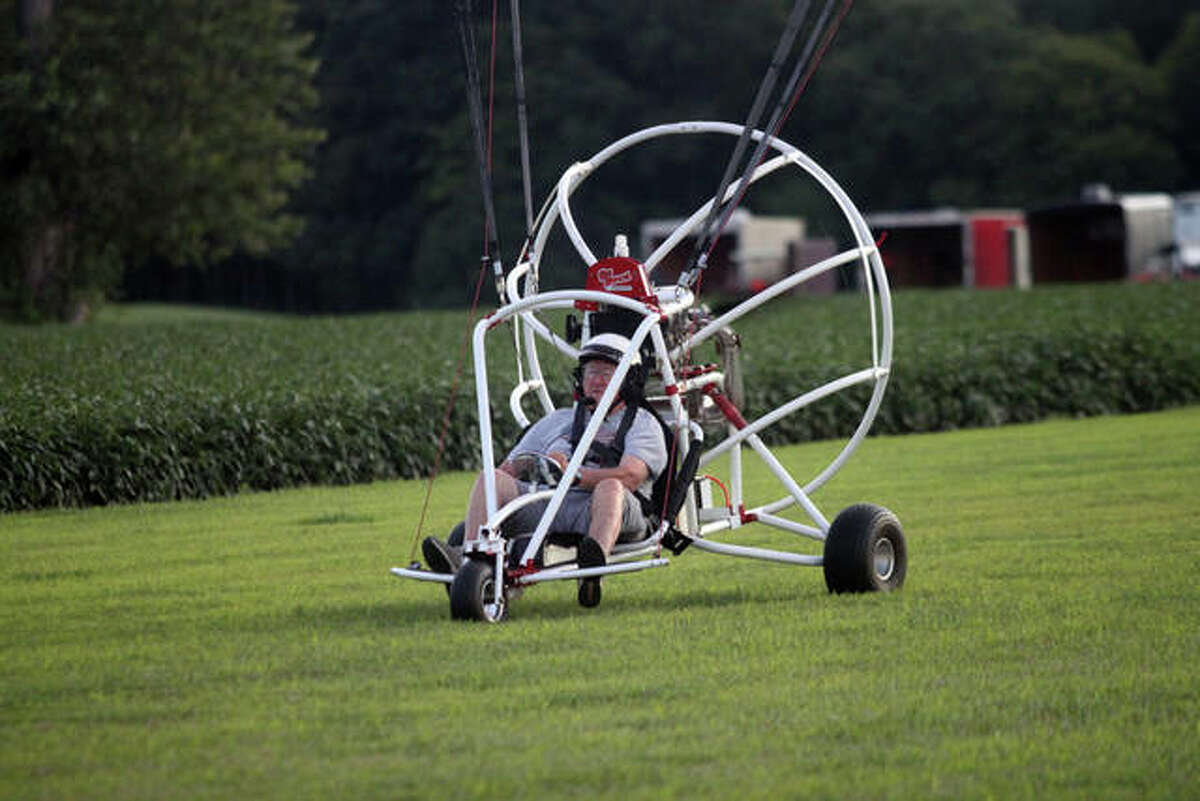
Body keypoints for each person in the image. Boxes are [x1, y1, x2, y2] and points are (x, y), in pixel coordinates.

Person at [423, 333, 668, 607]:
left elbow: (630, 476)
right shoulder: (558, 420)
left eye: (607, 374)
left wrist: (575, 475)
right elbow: (509, 468)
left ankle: (592, 569)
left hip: (606, 508)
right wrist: (538, 463)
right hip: (549, 502)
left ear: (627, 380)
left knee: (610, 486)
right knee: (492, 478)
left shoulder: (643, 423)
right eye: (591, 372)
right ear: (581, 379)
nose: (597, 380)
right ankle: (468, 557)